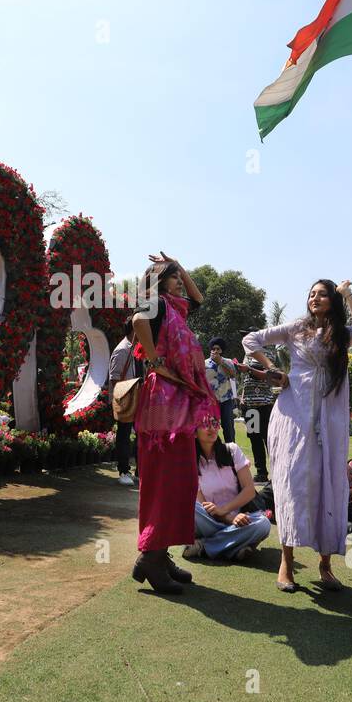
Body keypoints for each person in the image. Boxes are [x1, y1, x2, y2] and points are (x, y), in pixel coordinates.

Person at [242, 278, 352, 593]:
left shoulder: (342, 335)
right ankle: (286, 562)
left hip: (330, 415)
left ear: (333, 300)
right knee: (292, 481)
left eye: (322, 294)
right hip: (293, 413)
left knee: (327, 480)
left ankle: (325, 565)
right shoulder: (296, 328)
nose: (314, 298)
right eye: (311, 294)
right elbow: (251, 340)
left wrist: (347, 294)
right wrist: (273, 368)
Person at [130, 252, 219, 594]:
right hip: (162, 402)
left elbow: (198, 298)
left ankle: (158, 554)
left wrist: (179, 265)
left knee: (181, 478)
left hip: (177, 401)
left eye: (178, 276)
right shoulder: (157, 305)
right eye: (172, 276)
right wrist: (156, 361)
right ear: (157, 282)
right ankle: (152, 556)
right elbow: (138, 321)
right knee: (166, 477)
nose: (179, 281)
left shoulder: (176, 309)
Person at [184, 417, 272, 561]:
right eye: (205, 424)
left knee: (263, 524)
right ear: (194, 433)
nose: (212, 428)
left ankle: (205, 546)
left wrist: (224, 510)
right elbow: (202, 505)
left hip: (238, 520)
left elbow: (249, 490)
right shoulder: (190, 462)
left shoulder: (232, 450)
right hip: (209, 521)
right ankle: (235, 545)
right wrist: (229, 519)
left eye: (214, 423)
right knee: (190, 506)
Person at [108, 320, 141, 487]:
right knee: (124, 435)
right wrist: (124, 398)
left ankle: (139, 472)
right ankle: (123, 471)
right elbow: (114, 377)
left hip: (138, 398)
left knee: (141, 435)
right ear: (134, 330)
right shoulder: (122, 350)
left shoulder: (138, 348)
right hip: (127, 399)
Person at [238, 359, 276, 482]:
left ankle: (277, 472)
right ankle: (261, 473)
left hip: (265, 407)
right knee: (255, 440)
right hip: (251, 409)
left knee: (269, 440)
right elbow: (246, 382)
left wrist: (249, 369)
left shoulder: (268, 356)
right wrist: (243, 398)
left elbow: (267, 375)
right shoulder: (247, 357)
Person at [204, 337, 241, 442]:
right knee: (211, 428)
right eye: (213, 349)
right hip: (211, 402)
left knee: (228, 428)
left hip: (226, 400)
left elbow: (233, 375)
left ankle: (232, 453)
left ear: (222, 350)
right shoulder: (204, 364)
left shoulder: (228, 362)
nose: (215, 351)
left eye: (218, 349)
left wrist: (220, 362)